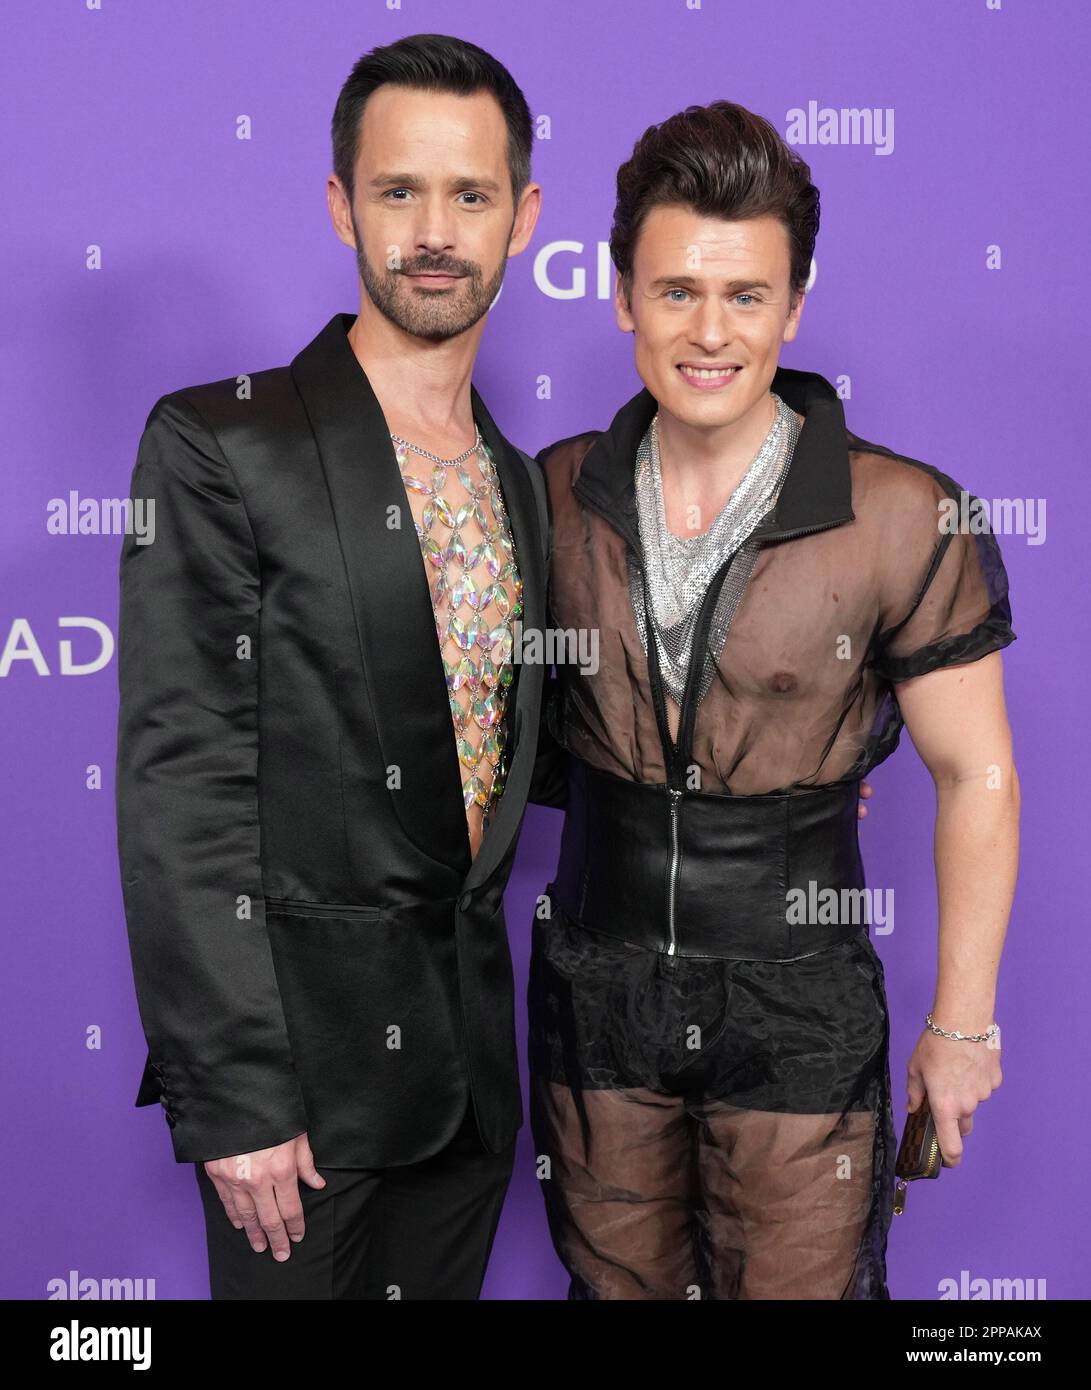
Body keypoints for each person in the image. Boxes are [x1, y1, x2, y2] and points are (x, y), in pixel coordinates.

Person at [526, 100, 1018, 1299]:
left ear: (793, 306)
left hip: (798, 995)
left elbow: (976, 774)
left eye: (745, 296)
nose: (709, 331)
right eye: (677, 291)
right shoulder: (548, 492)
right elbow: (493, 734)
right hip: (594, 990)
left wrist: (961, 1028)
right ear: (621, 295)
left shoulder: (902, 510)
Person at [115, 34, 550, 1300]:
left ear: (522, 219)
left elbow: (488, 743)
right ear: (337, 204)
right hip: (299, 1106)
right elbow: (181, 789)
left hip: (468, 1094)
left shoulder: (519, 480)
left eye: (468, 194)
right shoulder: (221, 442)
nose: (431, 230)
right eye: (396, 190)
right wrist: (235, 1096)